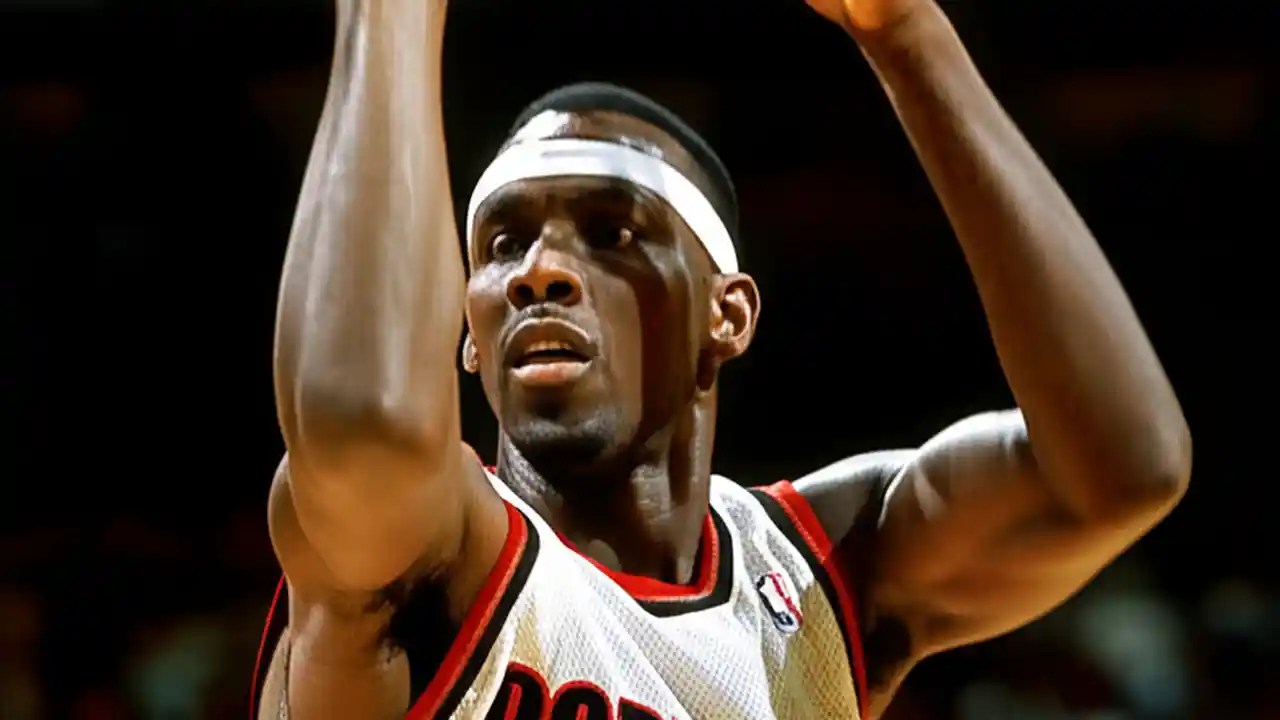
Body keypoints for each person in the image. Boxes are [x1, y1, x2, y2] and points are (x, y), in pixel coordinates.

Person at [251, 0, 1192, 718]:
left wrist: (909, 35)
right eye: (503, 246)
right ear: (464, 331)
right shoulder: (428, 555)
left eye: (612, 232)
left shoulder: (820, 579)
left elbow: (1123, 469)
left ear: (728, 315)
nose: (541, 271)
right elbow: (363, 429)